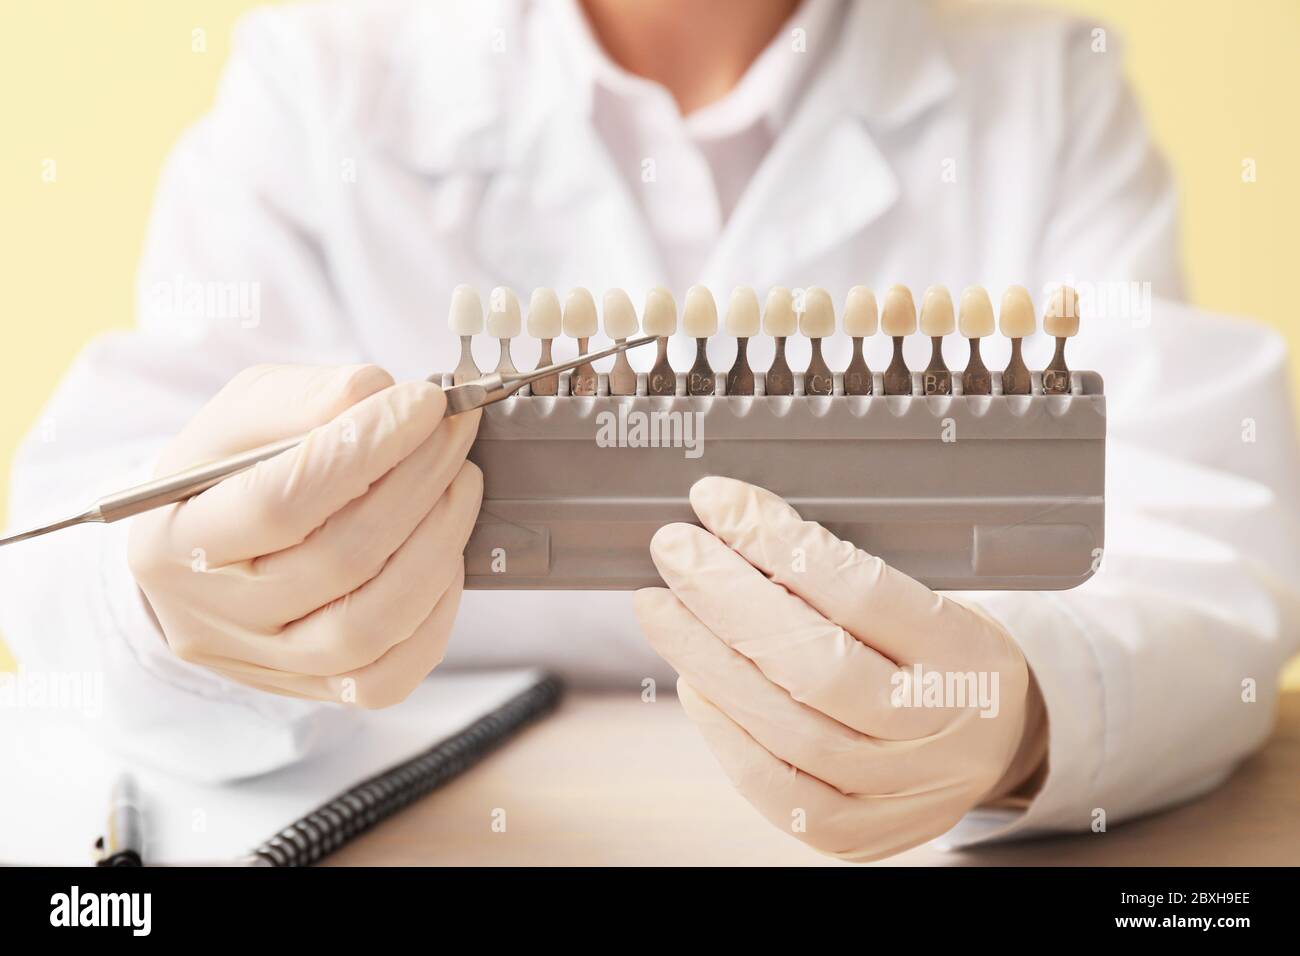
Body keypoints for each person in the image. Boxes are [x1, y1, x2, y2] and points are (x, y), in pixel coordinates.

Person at [3, 0, 1297, 861]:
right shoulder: (325, 70)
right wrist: (176, 613)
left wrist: (1019, 716)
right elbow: (85, 530)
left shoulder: (1032, 72)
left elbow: (1205, 525)